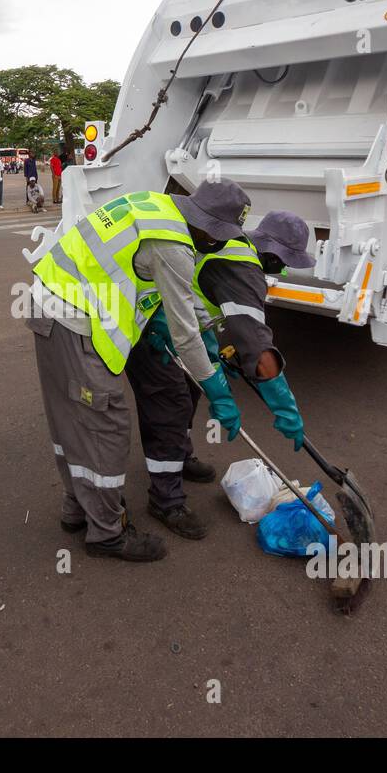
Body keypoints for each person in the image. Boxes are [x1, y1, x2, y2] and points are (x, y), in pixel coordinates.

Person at [27, 180, 250, 562]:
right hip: (73, 320)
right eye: (219, 235)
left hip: (51, 303)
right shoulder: (174, 246)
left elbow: (175, 302)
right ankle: (107, 534)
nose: (216, 243)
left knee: (73, 422)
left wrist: (205, 332)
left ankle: (77, 511)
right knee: (105, 426)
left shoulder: (155, 207)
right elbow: (185, 334)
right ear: (208, 229)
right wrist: (217, 391)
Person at [134, 210, 311, 539]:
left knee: (187, 396)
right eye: (285, 261)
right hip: (154, 328)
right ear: (273, 252)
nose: (284, 270)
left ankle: (179, 456)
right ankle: (166, 499)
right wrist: (286, 409)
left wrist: (215, 356)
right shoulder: (243, 269)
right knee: (169, 407)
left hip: (184, 327)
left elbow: (205, 310)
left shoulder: (237, 245)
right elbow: (258, 348)